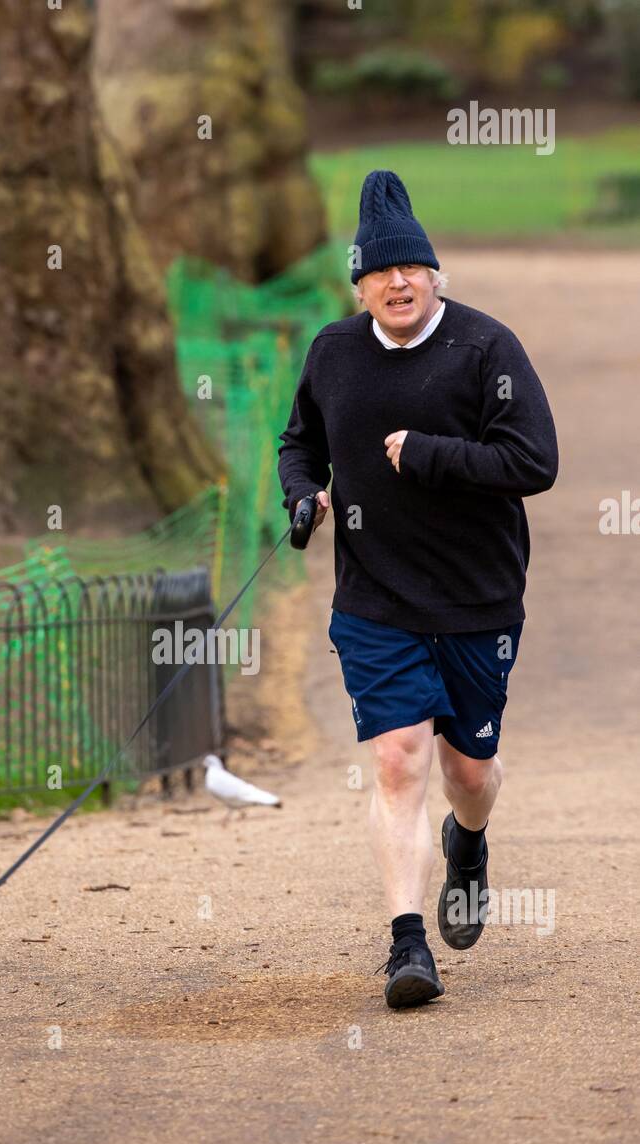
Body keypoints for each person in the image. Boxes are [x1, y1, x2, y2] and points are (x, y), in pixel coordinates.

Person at [278, 169, 558, 1009]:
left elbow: (533, 463)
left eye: (410, 269)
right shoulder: (331, 352)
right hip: (374, 599)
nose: (396, 283)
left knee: (466, 771)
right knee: (398, 761)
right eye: (378, 272)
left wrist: (430, 452)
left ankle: (466, 844)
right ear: (359, 284)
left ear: (434, 276)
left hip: (475, 598)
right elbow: (299, 445)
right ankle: (407, 946)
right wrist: (301, 495)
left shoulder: (485, 349)